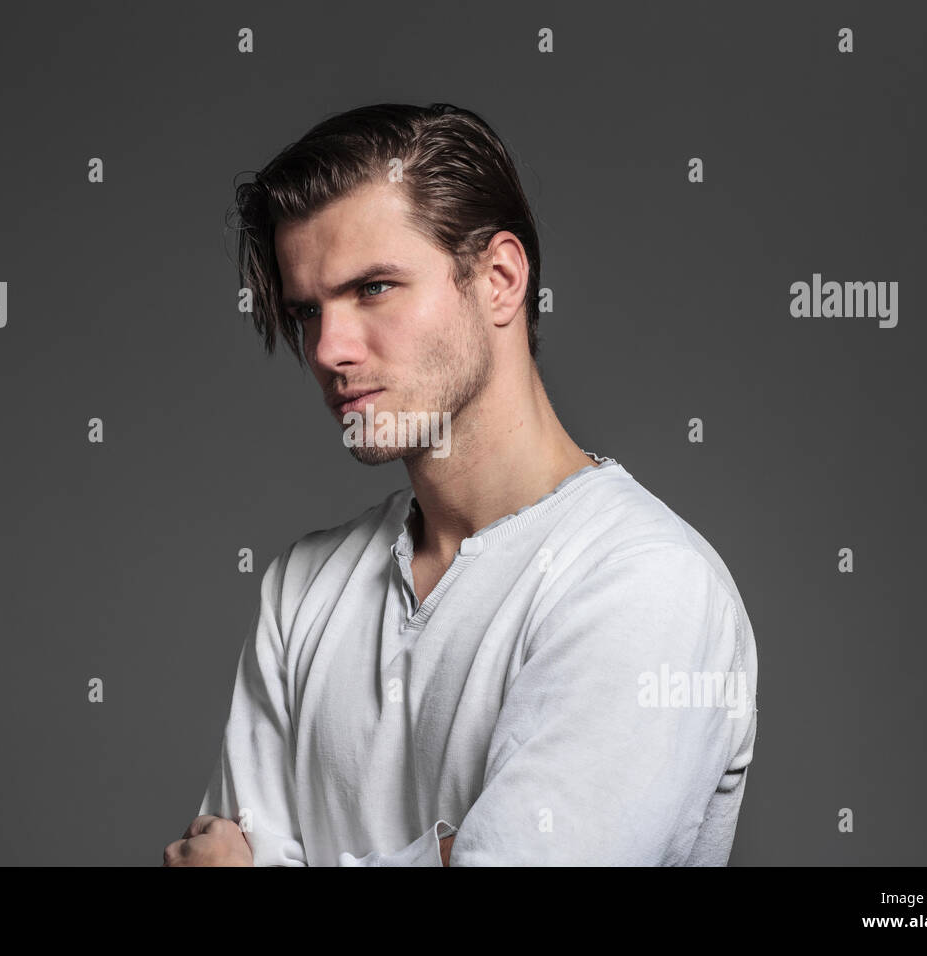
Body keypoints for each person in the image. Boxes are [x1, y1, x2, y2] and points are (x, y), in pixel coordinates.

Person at [163, 103, 758, 867]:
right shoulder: (300, 590)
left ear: (500, 280)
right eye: (307, 310)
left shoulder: (643, 584)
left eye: (374, 288)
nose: (329, 349)